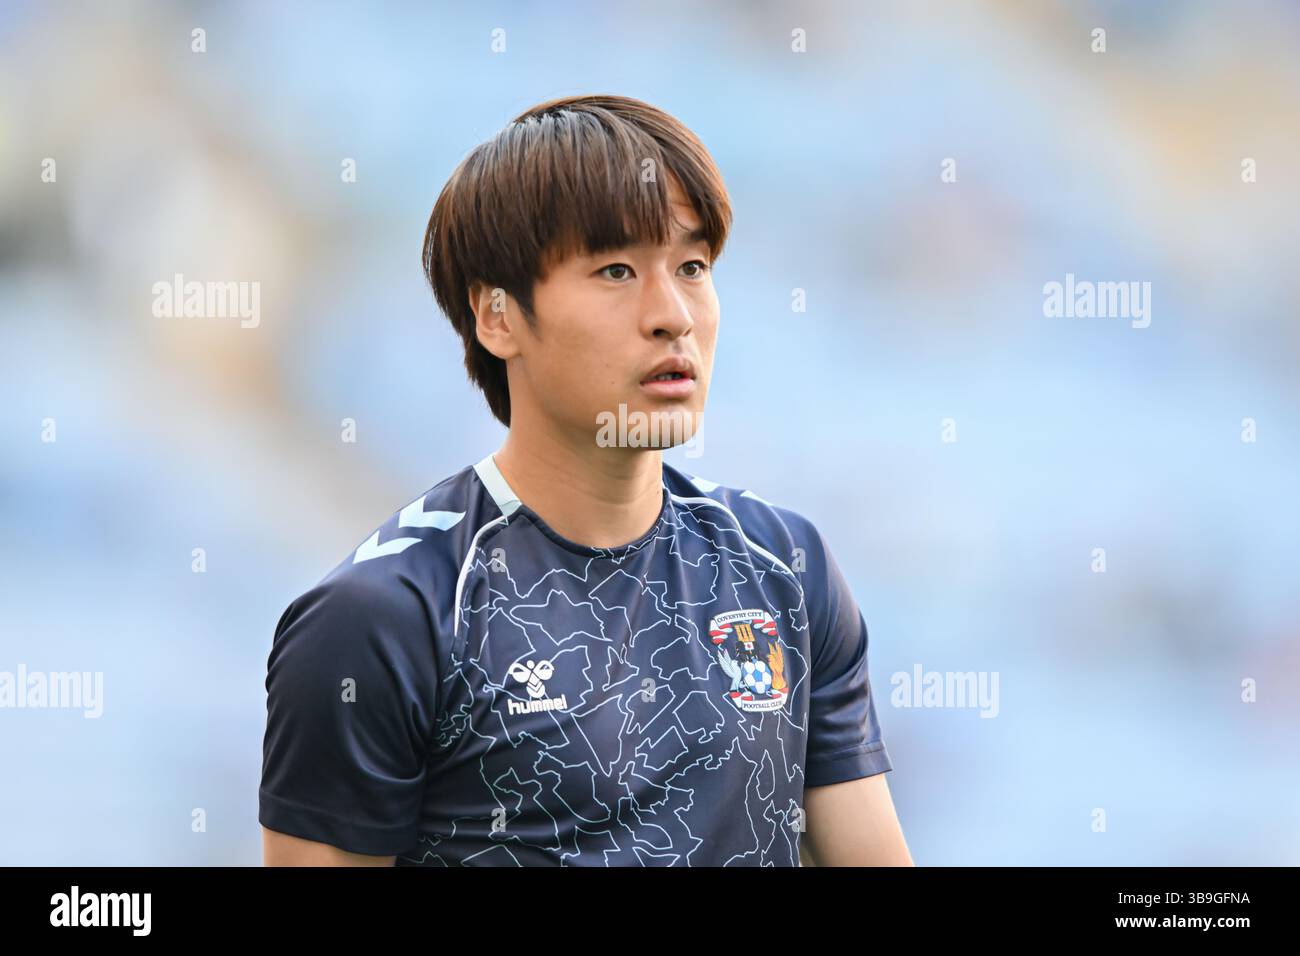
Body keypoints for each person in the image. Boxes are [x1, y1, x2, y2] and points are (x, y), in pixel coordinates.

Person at [259, 94, 913, 867]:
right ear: (497, 317)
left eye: (693, 267)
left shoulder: (785, 569)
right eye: (615, 270)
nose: (673, 315)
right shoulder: (385, 617)